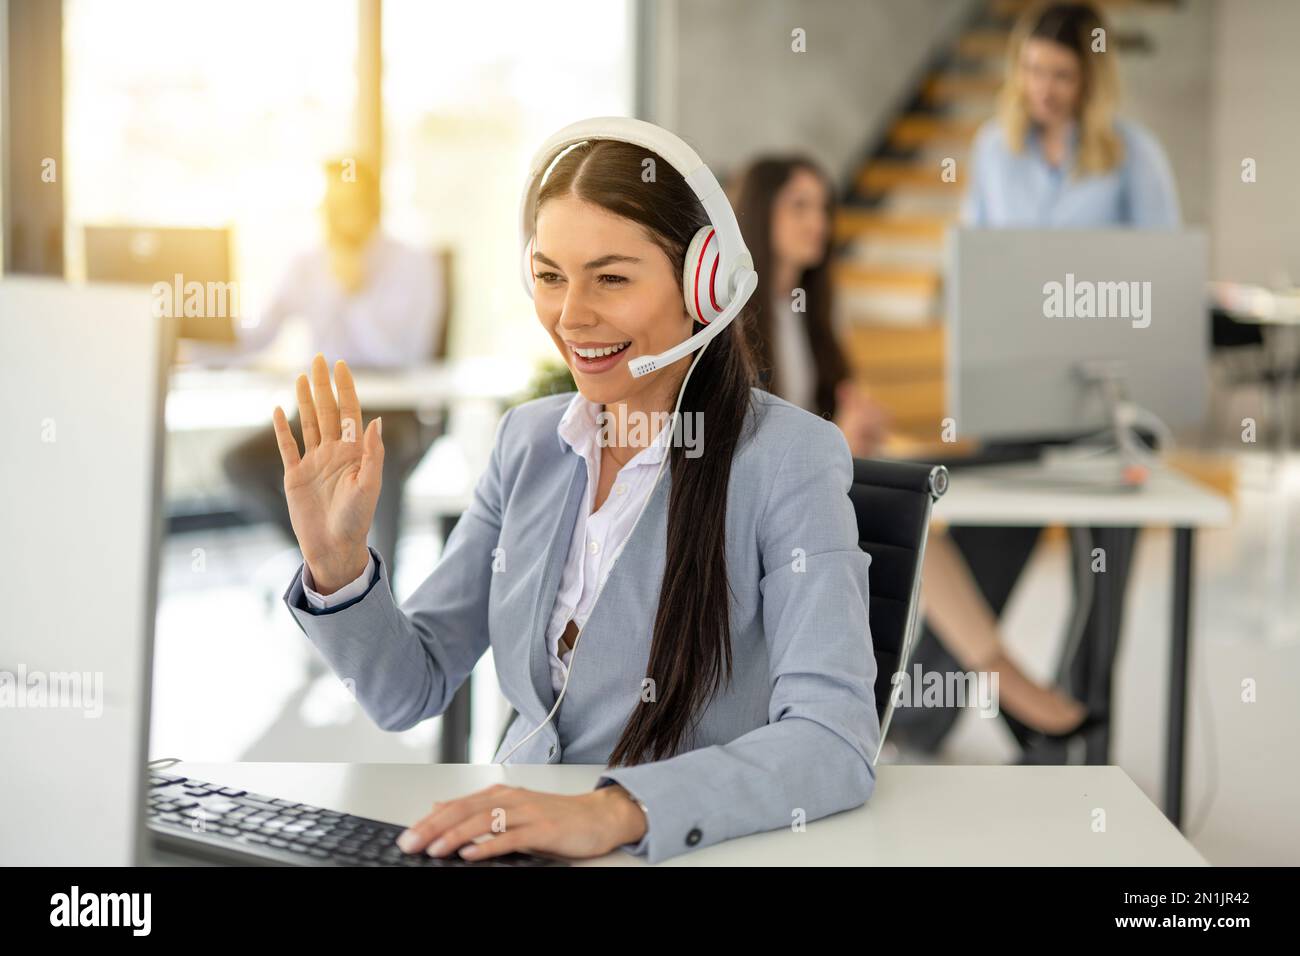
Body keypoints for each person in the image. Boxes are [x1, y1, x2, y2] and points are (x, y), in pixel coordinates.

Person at [269, 118, 879, 864]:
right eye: (551, 276)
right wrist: (339, 567)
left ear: (704, 287)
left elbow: (834, 738)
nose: (571, 314)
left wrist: (614, 813)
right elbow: (412, 687)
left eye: (611, 278)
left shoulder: (788, 459)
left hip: (681, 850)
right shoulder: (529, 446)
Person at [900, 0, 1181, 755]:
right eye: (1032, 71)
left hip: (1104, 402)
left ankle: (1072, 737)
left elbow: (1160, 278)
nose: (1043, 88)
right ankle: (922, 719)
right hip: (1019, 388)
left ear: (1093, 79)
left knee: (1102, 582)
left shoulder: (1133, 156)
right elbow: (979, 263)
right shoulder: (996, 148)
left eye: (1059, 75)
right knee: (987, 552)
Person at [731, 154, 1087, 737]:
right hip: (763, 503)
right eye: (798, 206)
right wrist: (837, 438)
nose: (817, 221)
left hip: (812, 485)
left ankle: (996, 684)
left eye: (823, 207)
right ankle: (1004, 681)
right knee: (908, 515)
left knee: (909, 501)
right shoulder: (735, 320)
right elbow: (750, 446)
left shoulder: (811, 316)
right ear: (757, 215)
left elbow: (814, 422)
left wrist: (853, 427)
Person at [220, 158, 444, 572]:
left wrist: (353, 291)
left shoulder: (414, 263)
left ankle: (381, 588)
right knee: (242, 463)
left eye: (348, 205)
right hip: (322, 417)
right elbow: (257, 337)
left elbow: (408, 355)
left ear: (373, 208)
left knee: (378, 453)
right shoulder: (306, 263)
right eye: (330, 205)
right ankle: (330, 556)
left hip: (392, 416)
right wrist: (189, 341)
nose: (336, 217)